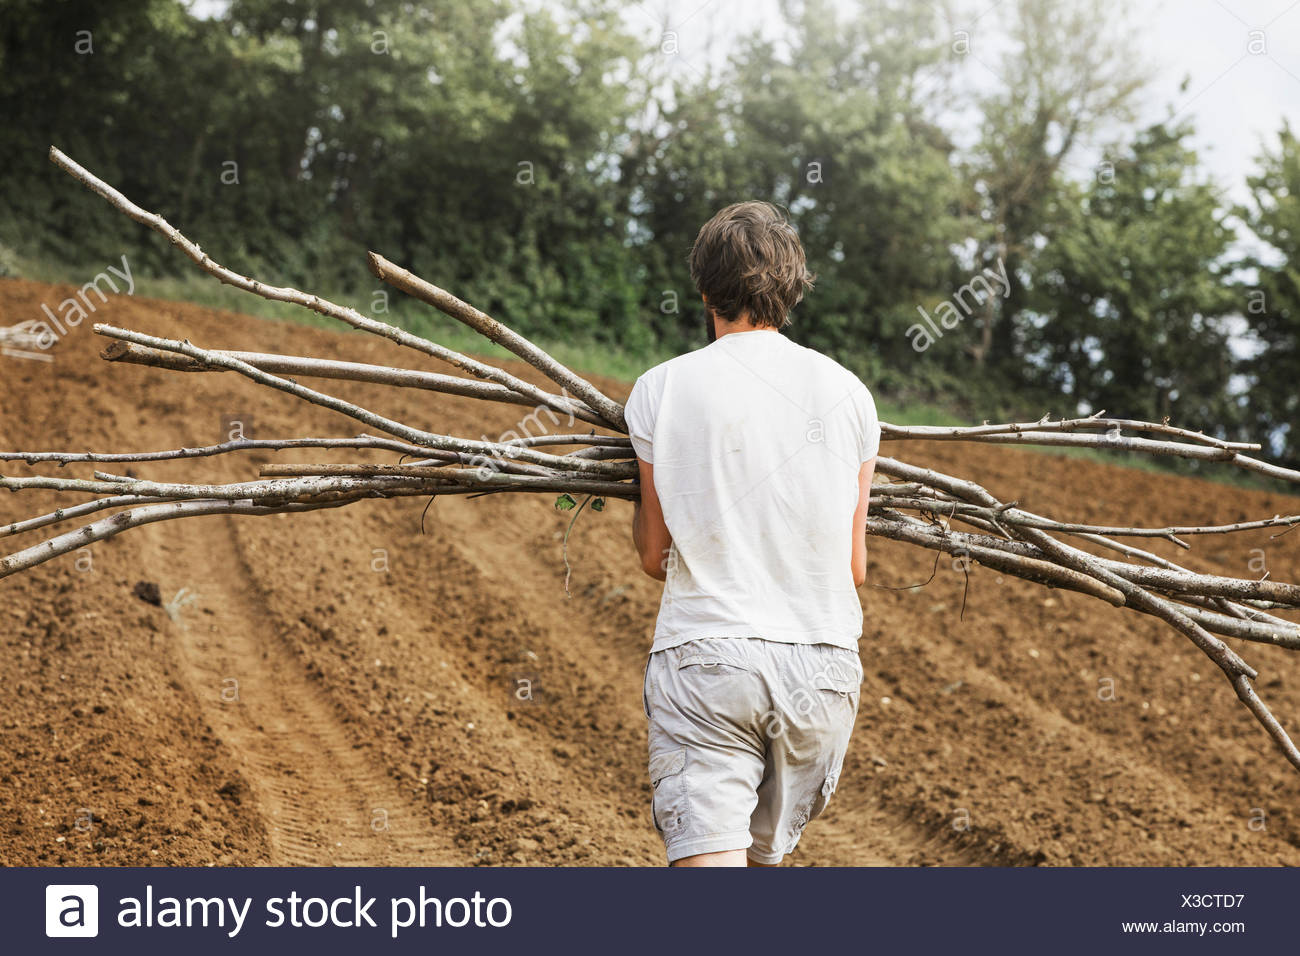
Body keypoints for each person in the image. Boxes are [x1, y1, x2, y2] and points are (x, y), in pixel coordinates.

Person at [626, 200, 880, 867]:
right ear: (792, 292)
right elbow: (854, 567)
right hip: (822, 674)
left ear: (705, 291)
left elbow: (656, 556)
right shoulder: (851, 395)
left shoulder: (661, 389)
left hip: (711, 663)